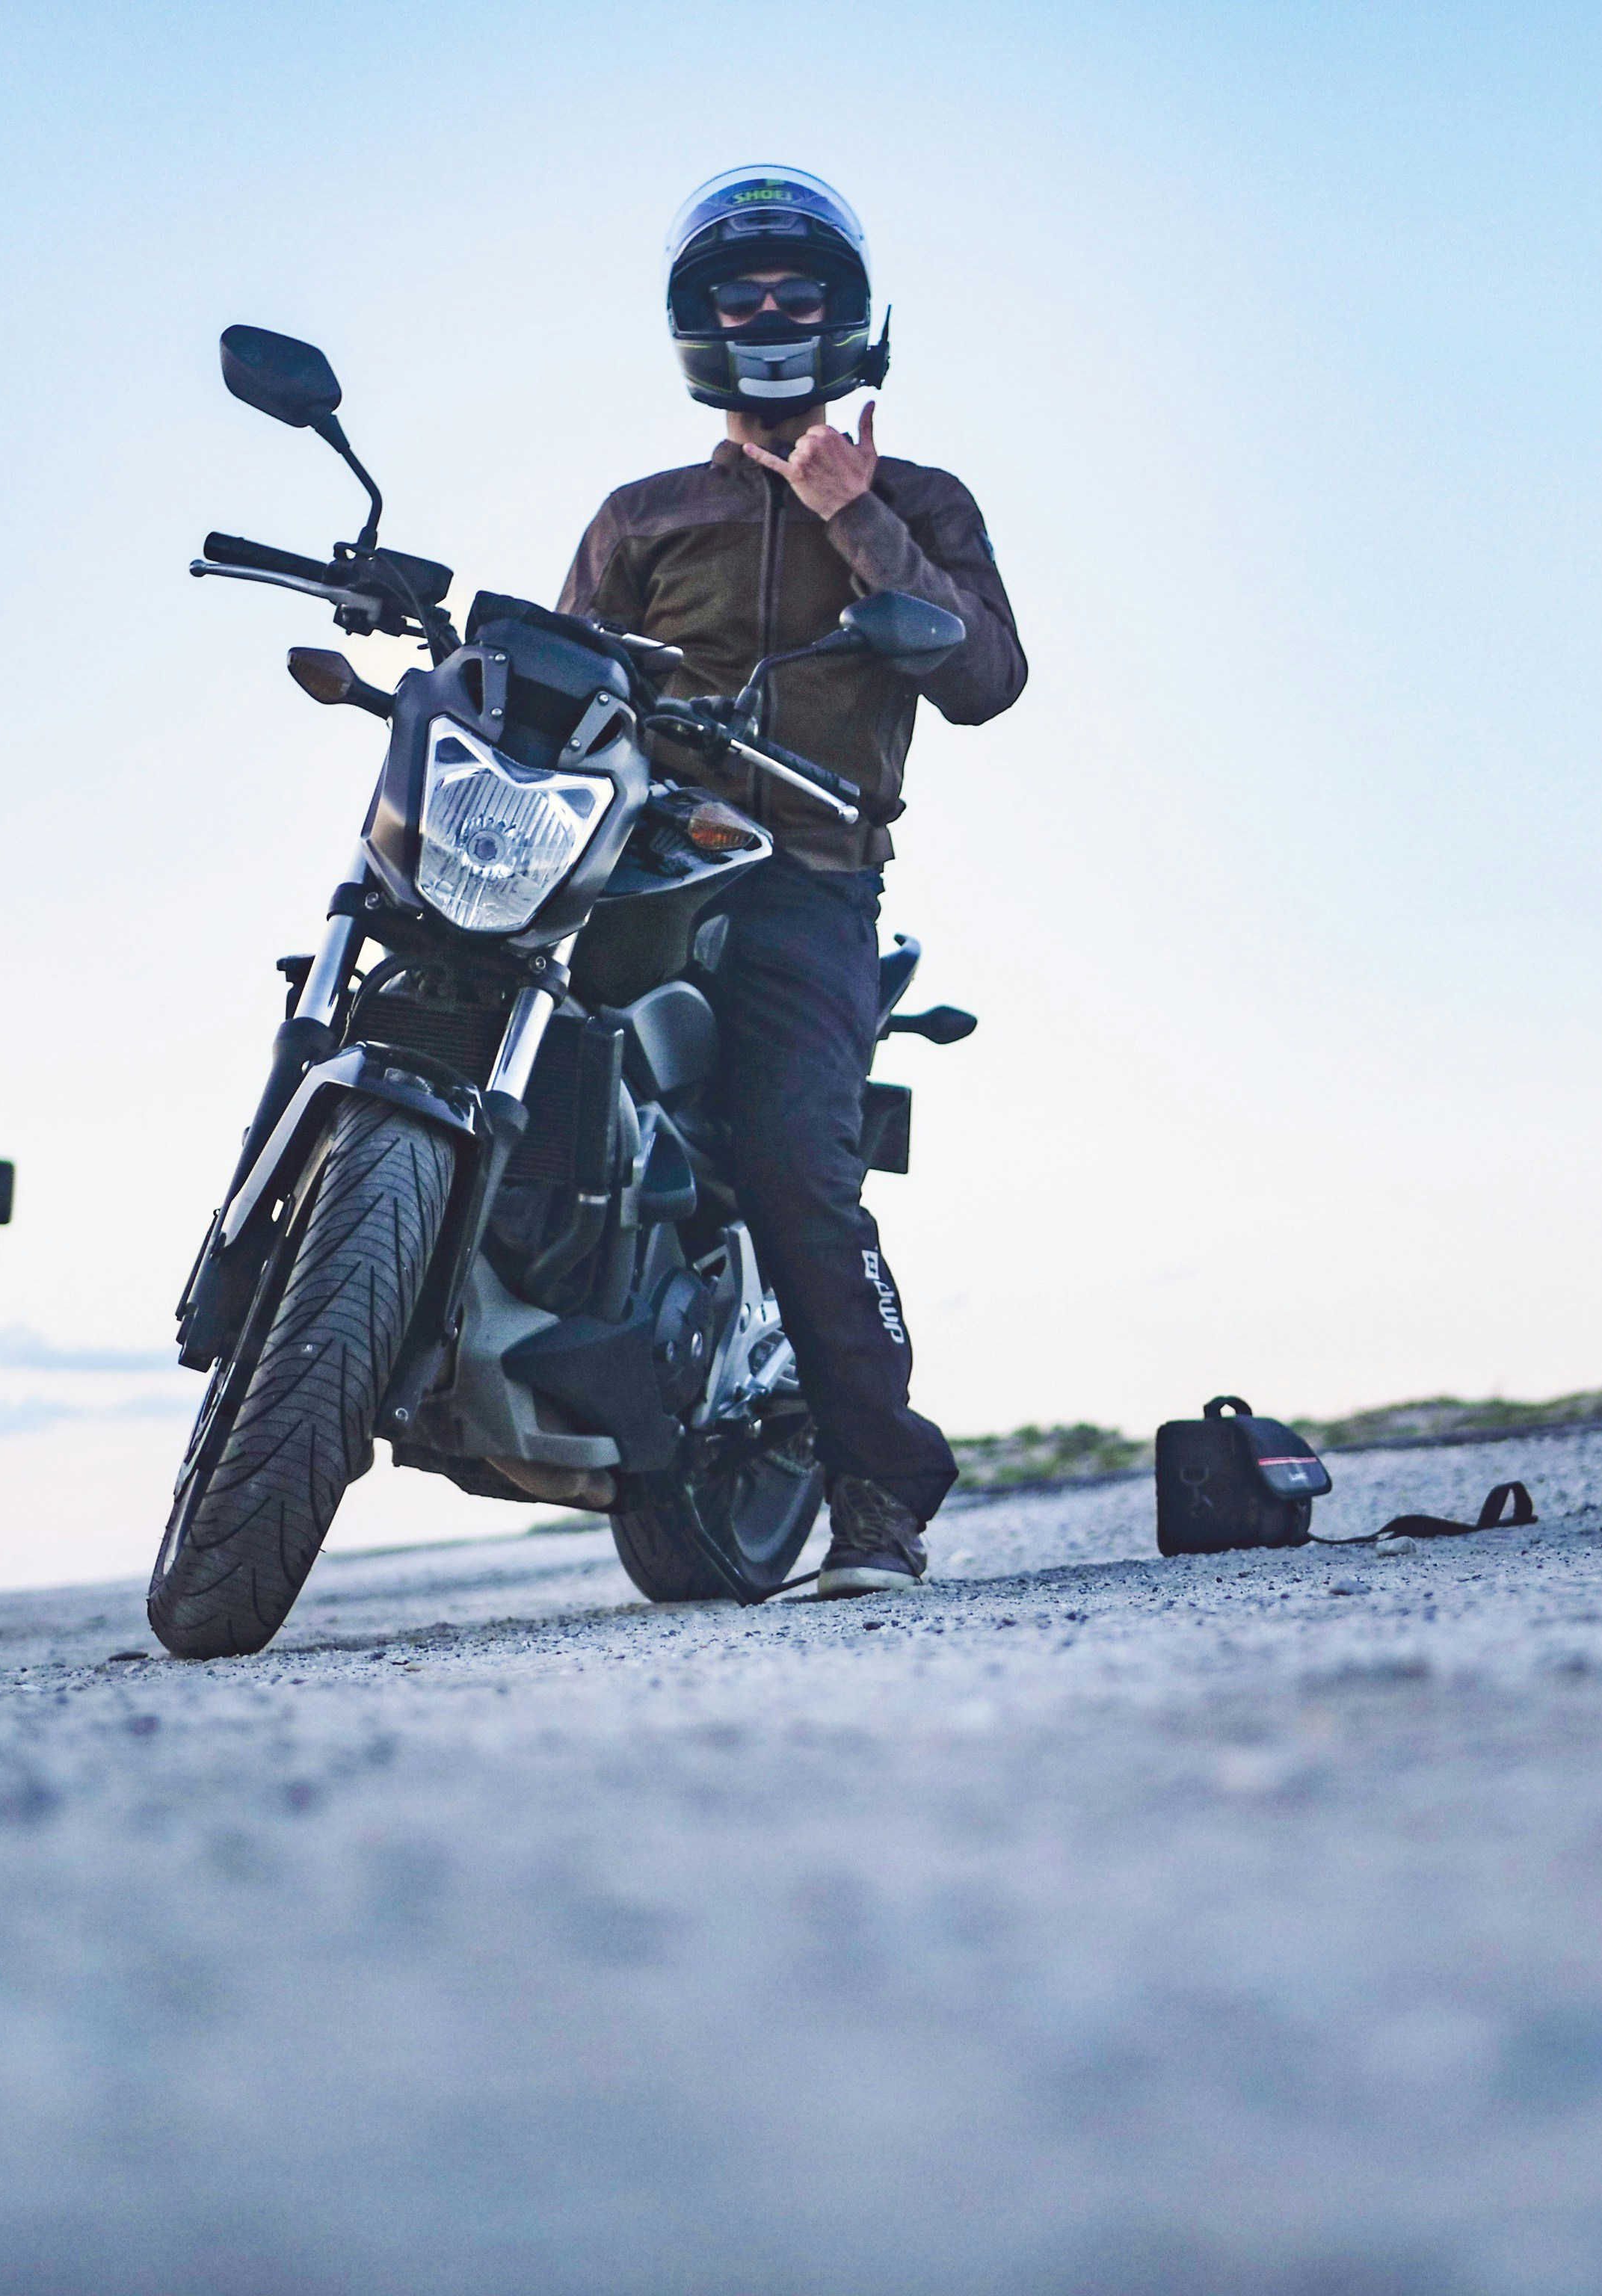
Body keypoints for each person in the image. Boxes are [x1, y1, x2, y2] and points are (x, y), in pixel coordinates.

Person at [558, 167, 1025, 1597]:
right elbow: (564, 684)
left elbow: (987, 683)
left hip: (809, 882)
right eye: (738, 296)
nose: (767, 315)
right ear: (698, 325)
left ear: (845, 316)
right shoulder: (640, 516)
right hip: (633, 873)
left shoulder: (922, 501)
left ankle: (878, 1501)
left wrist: (854, 516)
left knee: (788, 1165)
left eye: (795, 294)